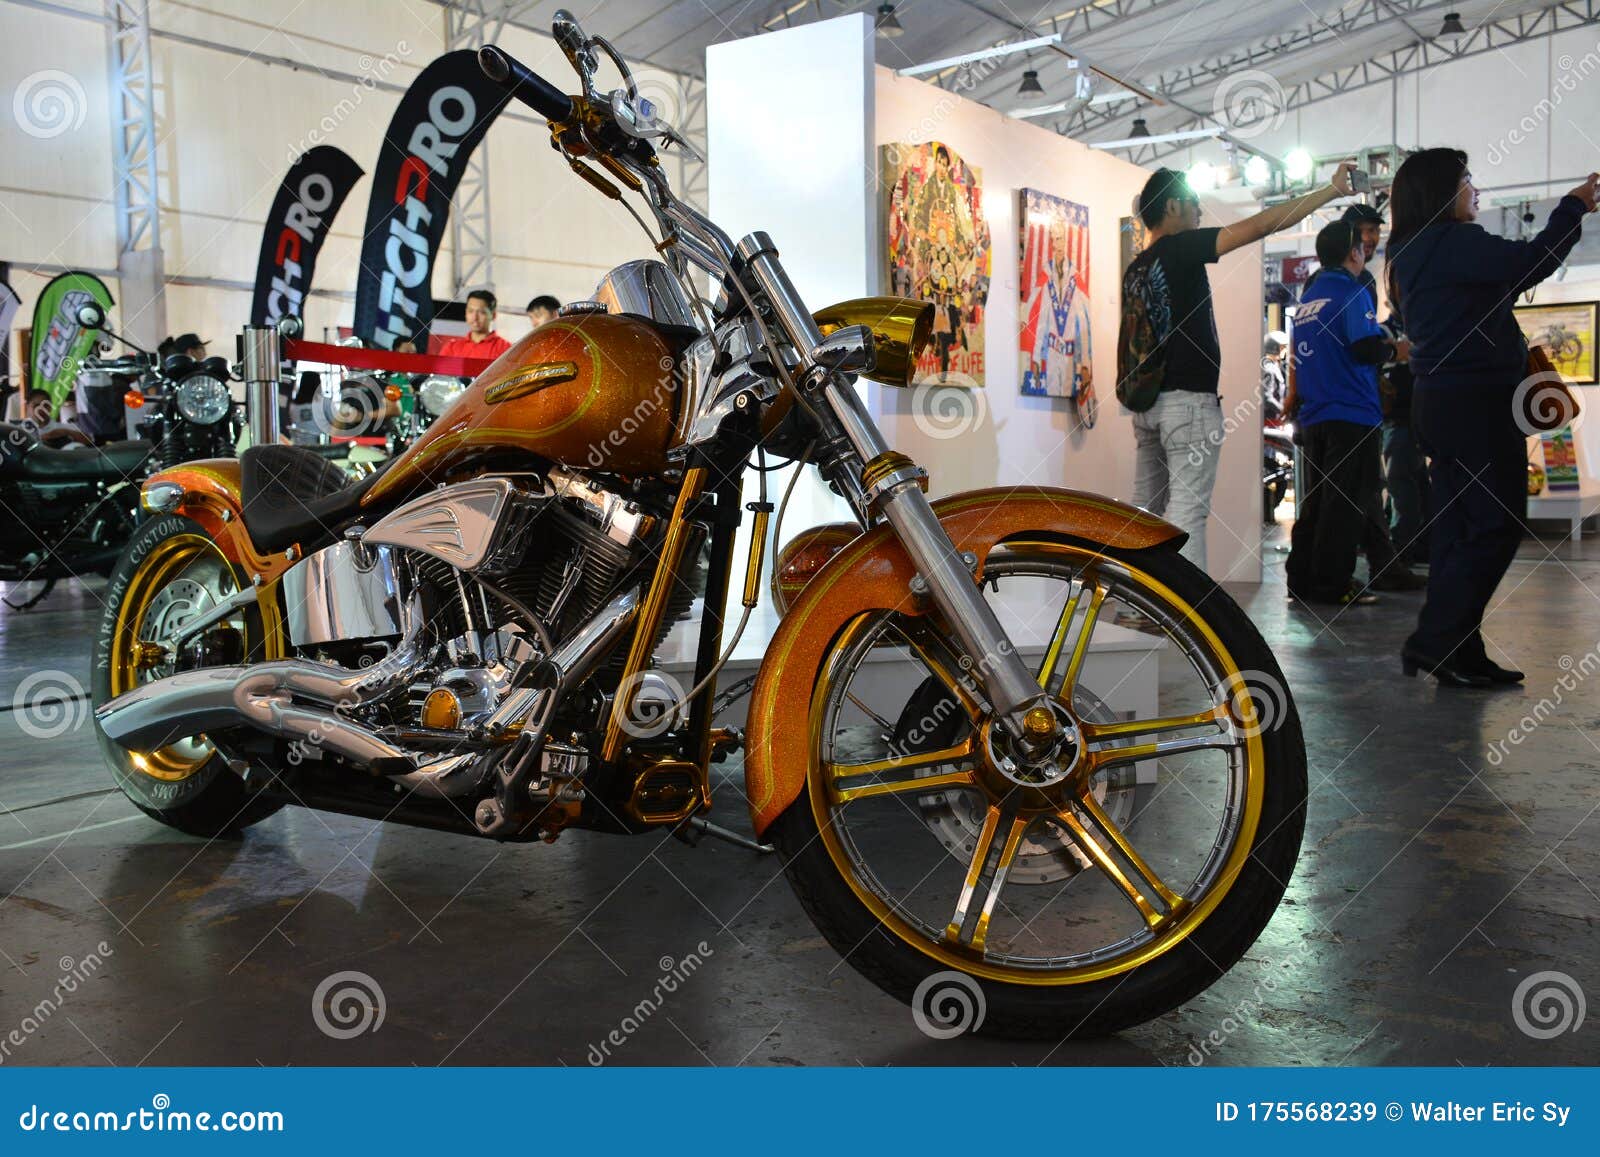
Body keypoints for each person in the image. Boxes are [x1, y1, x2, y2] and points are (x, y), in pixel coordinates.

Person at [1387, 149, 1597, 686]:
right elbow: (1535, 260)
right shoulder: (1455, 243)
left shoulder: (1406, 252)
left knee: (1460, 531)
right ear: (1442, 192)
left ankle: (1455, 648)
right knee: (1496, 527)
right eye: (1466, 181)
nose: (1474, 190)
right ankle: (1437, 642)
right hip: (1477, 404)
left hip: (1438, 402)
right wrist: (1572, 208)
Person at [1125, 161, 1356, 572]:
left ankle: (1133, 602)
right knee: (1186, 515)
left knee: (1142, 513)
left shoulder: (1137, 267)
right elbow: (1262, 225)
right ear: (1174, 206)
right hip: (1187, 404)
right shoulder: (1182, 248)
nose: (1199, 213)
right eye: (1195, 204)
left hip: (1148, 407)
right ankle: (1185, 619)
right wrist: (1330, 192)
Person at [1285, 221, 1412, 606]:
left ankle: (1302, 581)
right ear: (1354, 252)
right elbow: (1363, 349)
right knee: (1345, 505)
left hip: (1317, 415)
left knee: (1318, 502)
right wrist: (1396, 351)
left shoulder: (1308, 301)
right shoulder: (1354, 293)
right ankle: (1333, 584)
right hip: (1352, 414)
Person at [437, 289, 512, 360]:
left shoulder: (506, 350)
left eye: (482, 312)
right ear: (466, 313)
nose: (475, 317)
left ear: (493, 315)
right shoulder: (451, 348)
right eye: (470, 311)